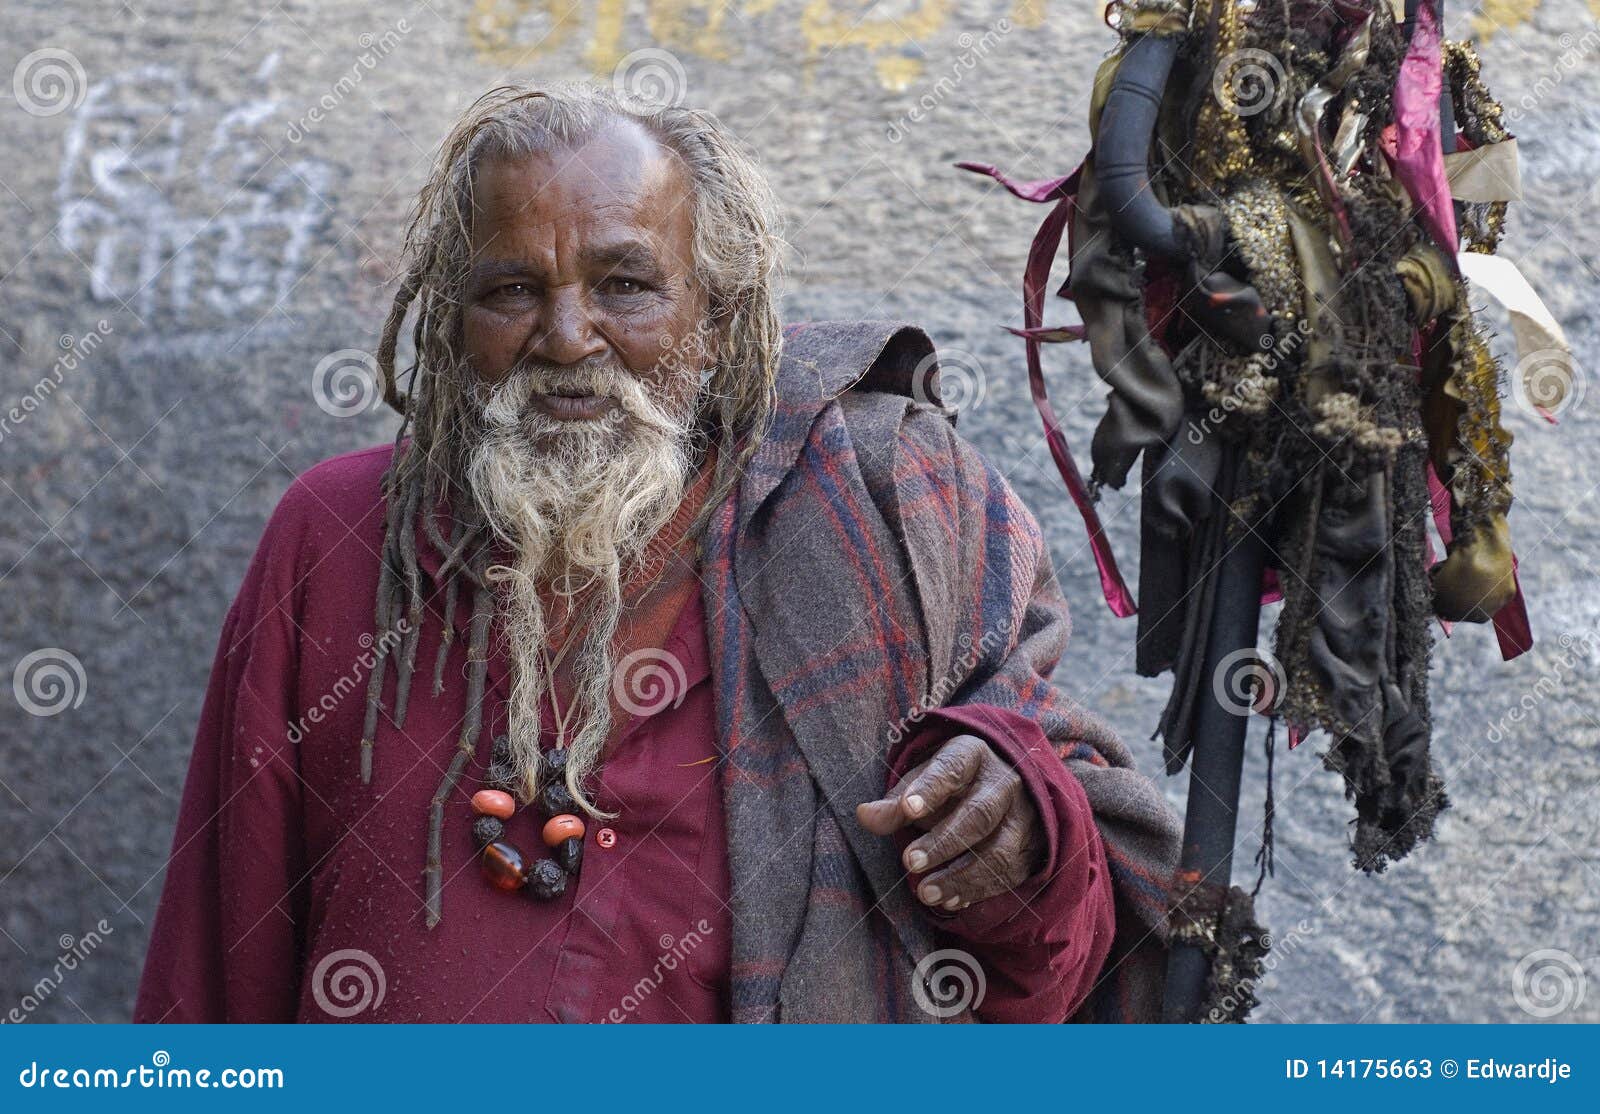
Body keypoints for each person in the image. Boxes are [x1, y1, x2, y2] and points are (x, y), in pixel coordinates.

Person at [134, 82, 1180, 1024]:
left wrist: (1015, 833)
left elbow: (1066, 953)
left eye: (625, 283)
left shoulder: (891, 507)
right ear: (453, 323)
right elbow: (219, 972)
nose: (566, 335)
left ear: (715, 319)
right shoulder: (342, 536)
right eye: (509, 290)